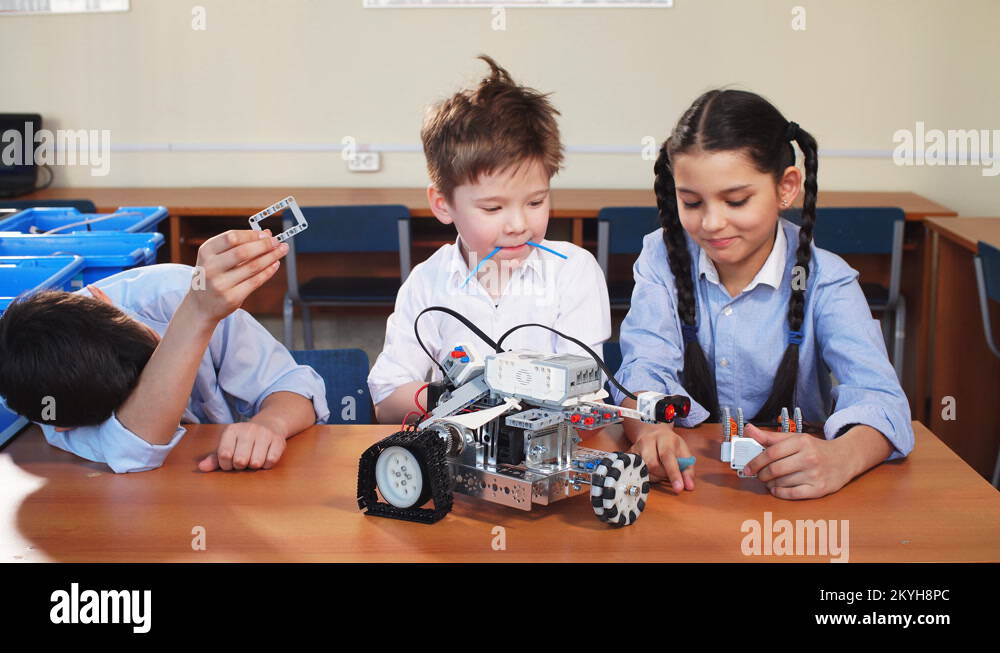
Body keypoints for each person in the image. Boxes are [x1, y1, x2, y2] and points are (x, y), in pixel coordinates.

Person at [613, 89, 913, 500]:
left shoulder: (827, 280)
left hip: (790, 496)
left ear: (786, 187)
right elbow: (643, 368)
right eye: (692, 201)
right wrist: (651, 432)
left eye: (736, 200)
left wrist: (841, 457)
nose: (712, 223)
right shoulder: (659, 259)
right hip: (692, 490)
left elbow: (881, 398)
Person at [368, 55, 610, 425]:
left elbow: (585, 399)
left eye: (535, 201)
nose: (517, 224)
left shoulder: (573, 272)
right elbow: (386, 401)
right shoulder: (427, 283)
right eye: (493, 208)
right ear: (443, 204)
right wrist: (459, 397)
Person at [0, 229, 330, 473]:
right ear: (63, 427)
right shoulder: (50, 397)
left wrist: (269, 424)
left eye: (159, 353)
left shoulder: (174, 293)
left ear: (103, 299)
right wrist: (197, 317)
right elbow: (134, 451)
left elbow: (293, 384)